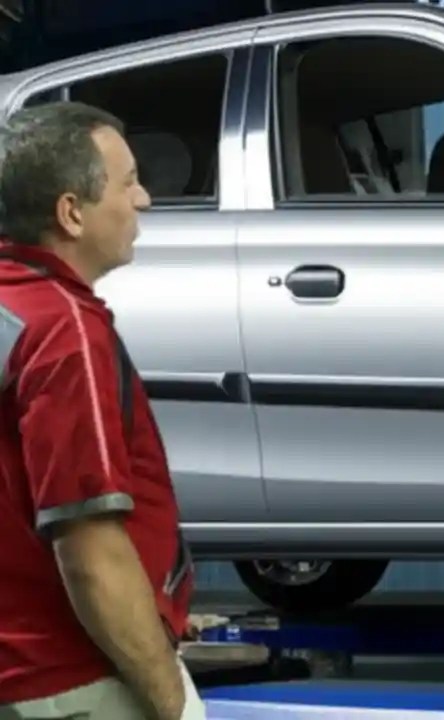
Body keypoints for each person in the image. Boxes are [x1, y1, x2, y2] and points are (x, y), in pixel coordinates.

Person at [0, 102, 202, 719]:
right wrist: (169, 700)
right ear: (71, 212)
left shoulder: (12, 309)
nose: (143, 199)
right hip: (76, 684)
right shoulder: (65, 332)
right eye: (128, 182)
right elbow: (89, 549)